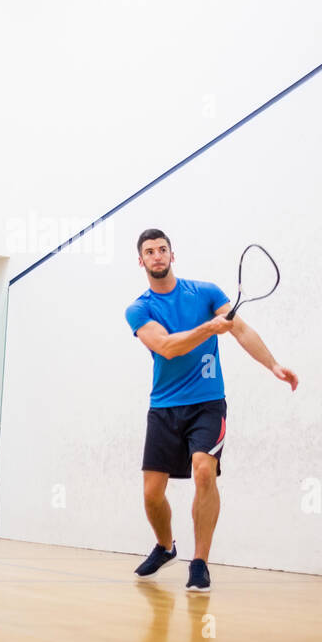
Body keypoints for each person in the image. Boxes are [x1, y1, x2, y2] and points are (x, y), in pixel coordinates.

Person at [125, 229, 298, 592]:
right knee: (152, 494)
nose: (157, 256)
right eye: (149, 252)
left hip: (207, 405)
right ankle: (165, 546)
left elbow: (241, 330)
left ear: (173, 255)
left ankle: (200, 563)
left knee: (205, 471)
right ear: (141, 261)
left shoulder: (205, 293)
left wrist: (274, 366)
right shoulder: (139, 309)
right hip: (164, 408)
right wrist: (209, 328)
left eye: (162, 250)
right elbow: (168, 347)